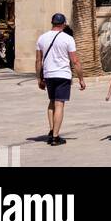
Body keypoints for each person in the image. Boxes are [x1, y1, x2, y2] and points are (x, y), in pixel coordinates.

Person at [35, 12, 85, 146]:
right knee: (59, 104)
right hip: (63, 75)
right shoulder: (68, 39)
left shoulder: (42, 38)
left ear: (52, 23)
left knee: (51, 102)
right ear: (63, 24)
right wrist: (81, 78)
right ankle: (56, 137)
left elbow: (38, 60)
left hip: (49, 74)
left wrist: (39, 78)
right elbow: (75, 61)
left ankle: (52, 131)